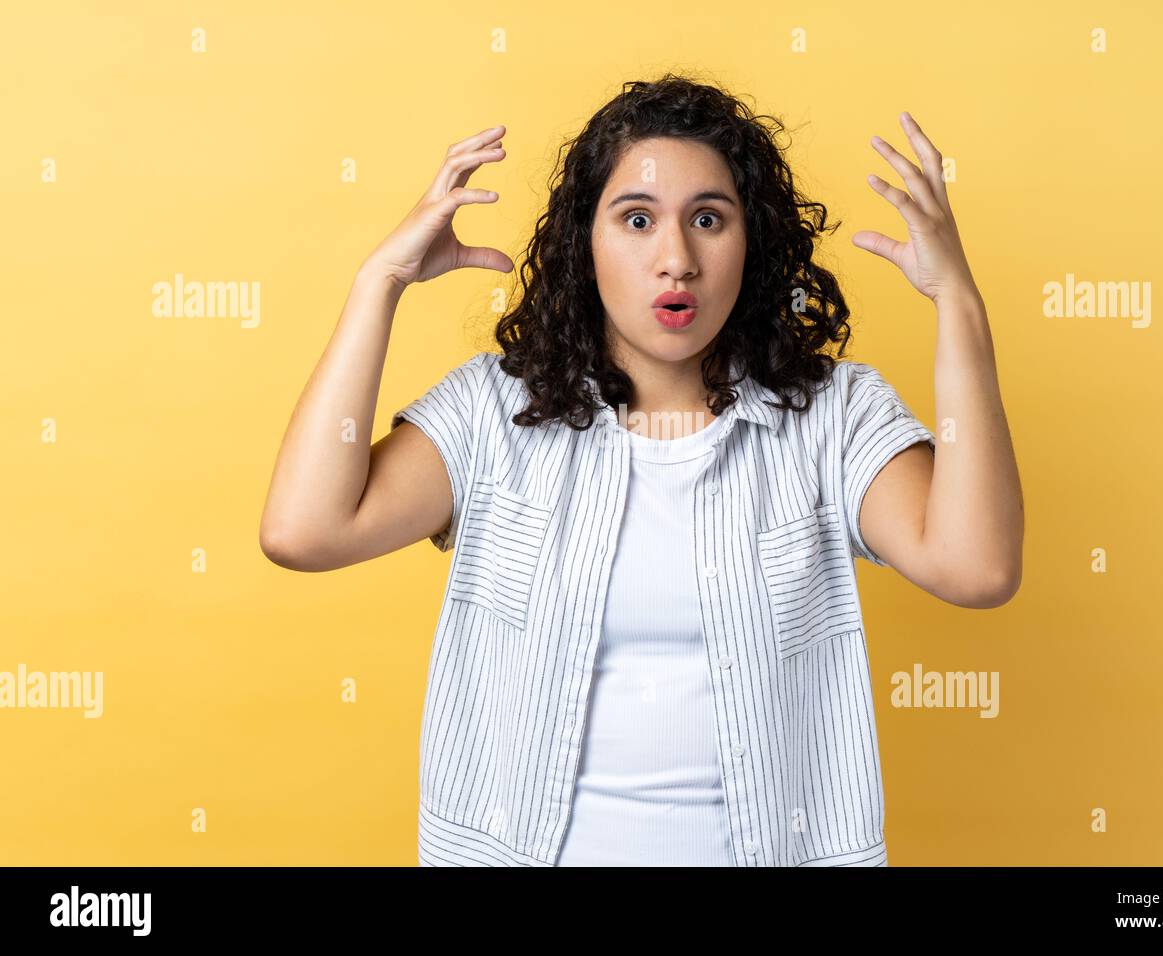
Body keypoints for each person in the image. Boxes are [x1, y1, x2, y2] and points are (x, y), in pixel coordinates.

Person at [258, 74, 1023, 867]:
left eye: (707, 219)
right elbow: (303, 530)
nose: (676, 260)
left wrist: (957, 303)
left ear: (751, 241)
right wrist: (377, 283)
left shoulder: (832, 416)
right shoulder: (495, 412)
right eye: (636, 219)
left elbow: (978, 567)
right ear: (585, 245)